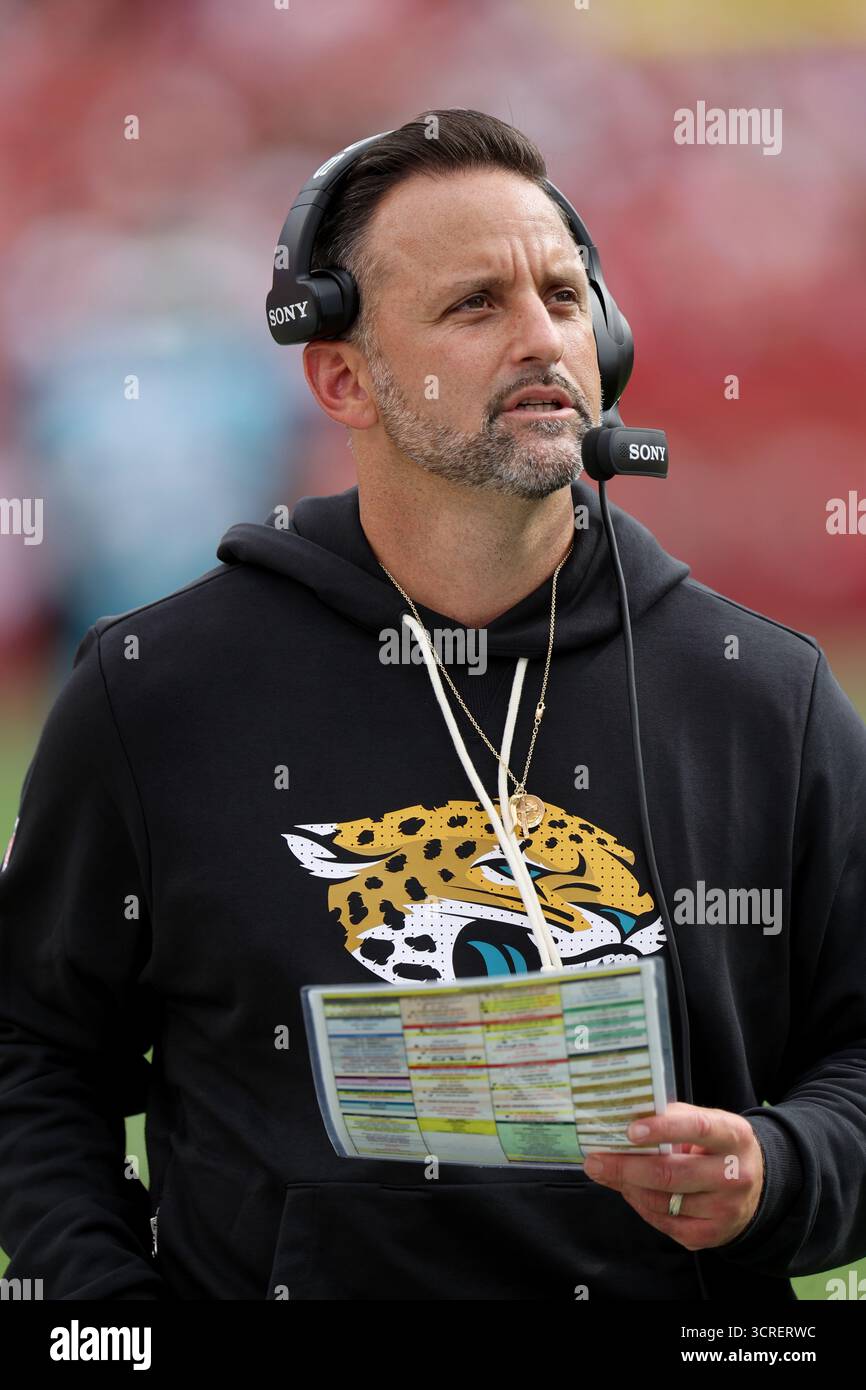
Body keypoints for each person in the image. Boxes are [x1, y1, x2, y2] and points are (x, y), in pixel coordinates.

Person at [1, 109, 865, 1302]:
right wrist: (113, 1318)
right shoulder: (155, 690)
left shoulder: (760, 693)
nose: (541, 339)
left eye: (562, 297)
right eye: (474, 305)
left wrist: (778, 1169)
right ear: (342, 377)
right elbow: (35, 1052)